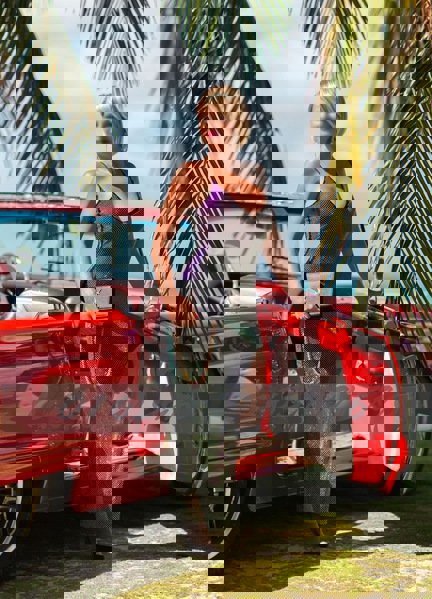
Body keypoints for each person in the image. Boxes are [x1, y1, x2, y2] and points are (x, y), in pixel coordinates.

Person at [151, 85, 336, 547]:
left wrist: (299, 295)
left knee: (237, 401)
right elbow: (160, 243)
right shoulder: (191, 177)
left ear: (240, 130)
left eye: (224, 126)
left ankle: (230, 489)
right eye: (208, 125)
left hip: (238, 307)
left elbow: (275, 252)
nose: (215, 134)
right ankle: (195, 489)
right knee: (192, 405)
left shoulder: (251, 185)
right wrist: (171, 294)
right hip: (195, 303)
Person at [76, 100, 143, 559]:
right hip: (106, 327)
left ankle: (99, 523)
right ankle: (100, 525)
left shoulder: (101, 195)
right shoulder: (108, 200)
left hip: (102, 324)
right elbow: (109, 272)